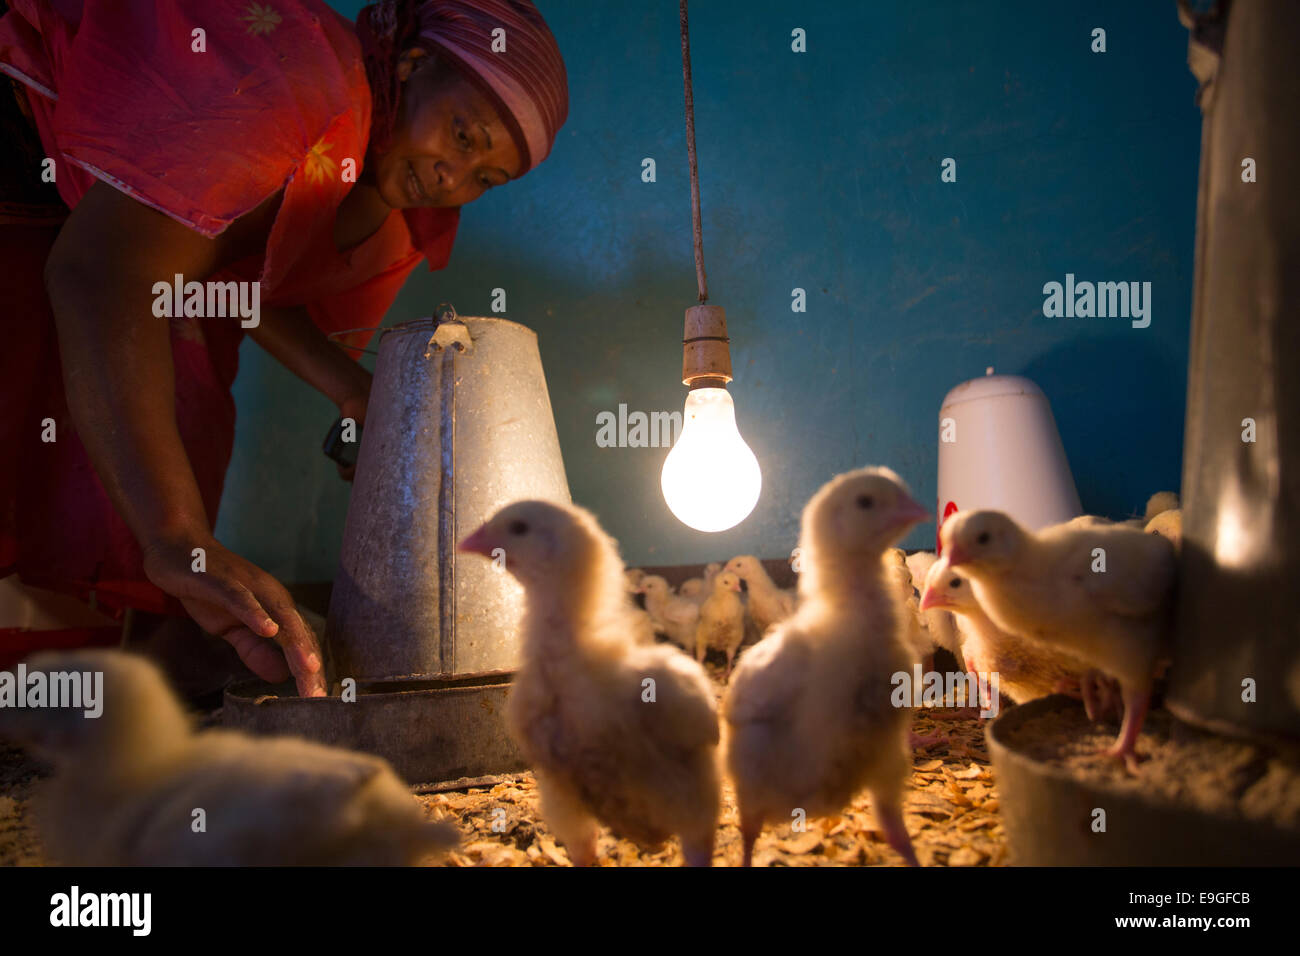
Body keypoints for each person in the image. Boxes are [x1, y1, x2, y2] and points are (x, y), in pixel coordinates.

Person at [0, 0, 568, 694]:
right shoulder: (289, 89)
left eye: (487, 177)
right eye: (461, 133)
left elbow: (236, 283)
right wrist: (176, 537)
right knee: (54, 372)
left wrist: (356, 392)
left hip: (71, 185)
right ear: (414, 65)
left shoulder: (365, 196)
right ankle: (124, 639)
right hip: (19, 111)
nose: (457, 176)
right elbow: (100, 274)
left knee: (184, 368)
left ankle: (142, 652)